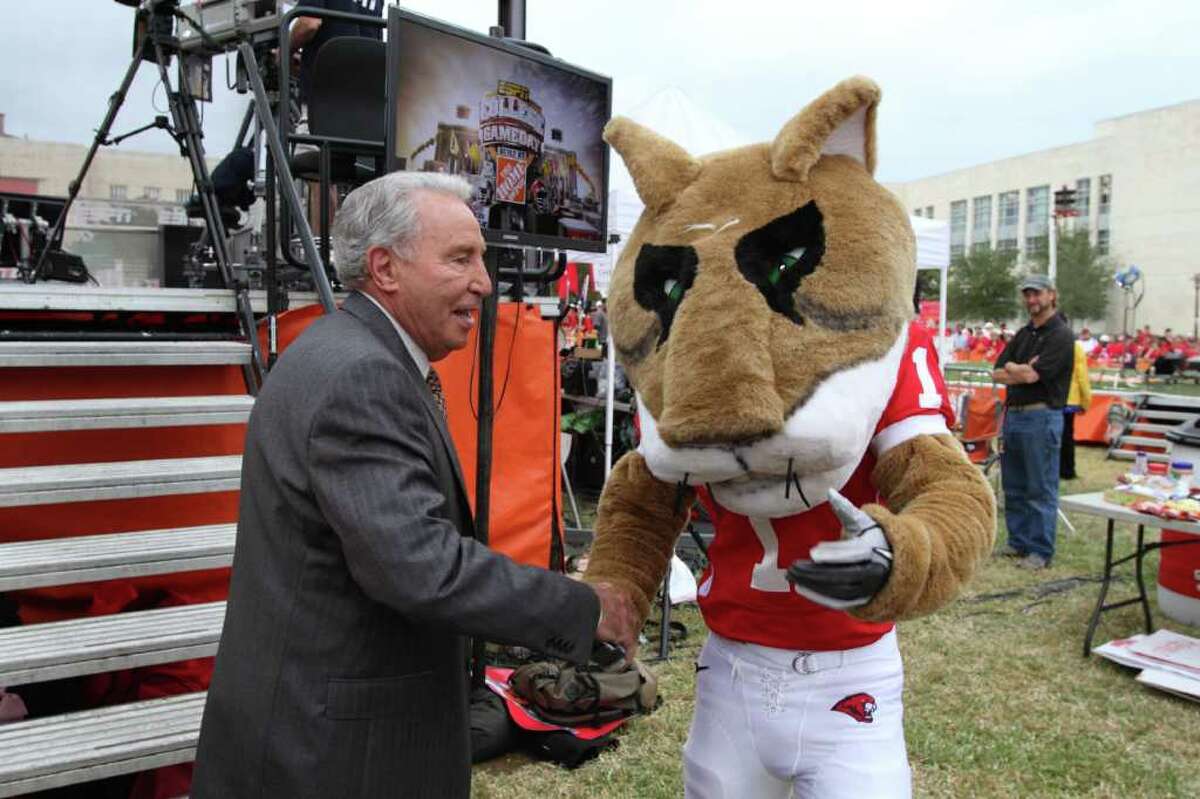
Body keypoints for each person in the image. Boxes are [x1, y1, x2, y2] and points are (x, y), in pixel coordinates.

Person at [191, 172, 637, 798]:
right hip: (336, 756)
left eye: (480, 258)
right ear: (385, 268)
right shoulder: (362, 376)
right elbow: (422, 569)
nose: (484, 283)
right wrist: (581, 608)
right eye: (461, 258)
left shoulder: (345, 352)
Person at [992, 274, 1075, 570]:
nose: (1031, 300)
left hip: (1042, 416)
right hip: (1015, 415)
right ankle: (1018, 542)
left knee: (1039, 487)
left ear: (1051, 295)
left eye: (1036, 294)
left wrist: (1018, 371)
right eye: (1027, 294)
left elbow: (1031, 376)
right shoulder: (1024, 334)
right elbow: (997, 372)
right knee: (1014, 484)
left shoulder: (1061, 335)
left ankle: (1040, 549)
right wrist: (1019, 368)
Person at [1061, 337, 1092, 480]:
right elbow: (1082, 375)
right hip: (1069, 398)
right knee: (1067, 435)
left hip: (1048, 398)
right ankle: (1067, 470)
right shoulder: (1075, 347)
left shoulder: (1044, 342)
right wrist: (1086, 401)